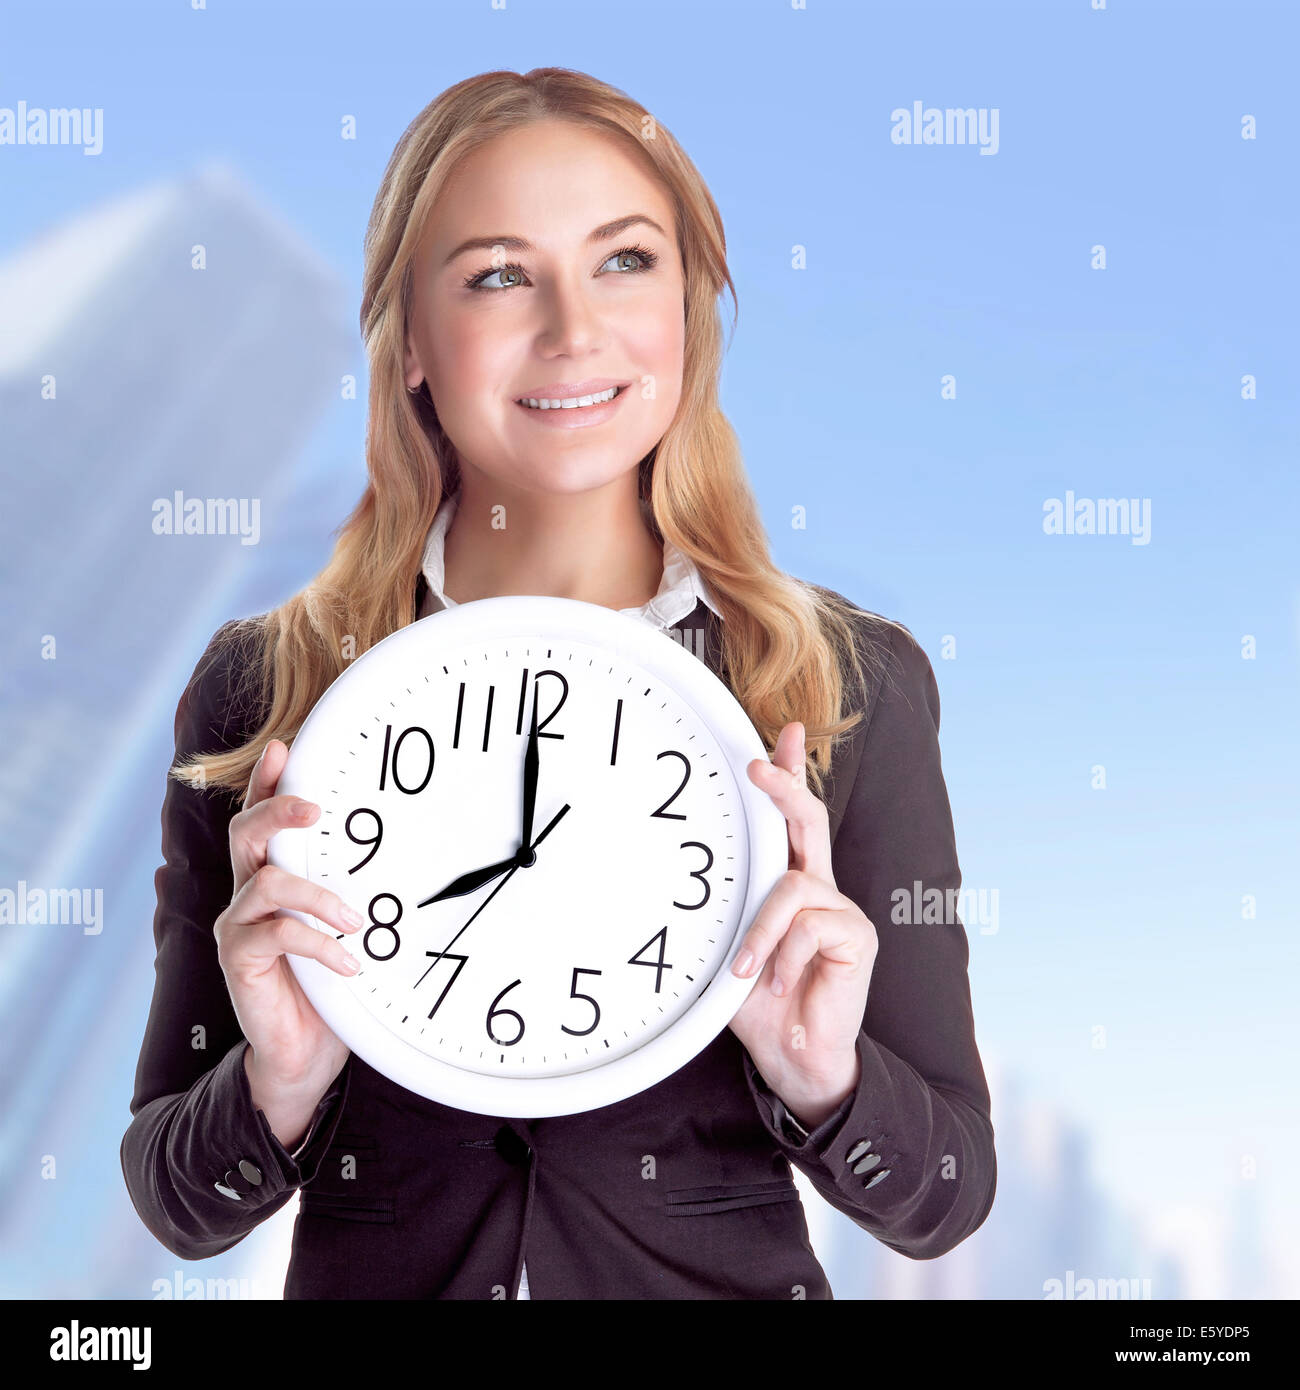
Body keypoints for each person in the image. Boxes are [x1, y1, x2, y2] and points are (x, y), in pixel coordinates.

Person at [120, 67, 996, 1300]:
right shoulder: (266, 690)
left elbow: (947, 1195)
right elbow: (175, 1202)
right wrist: (277, 1079)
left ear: (688, 305)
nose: (573, 330)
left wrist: (826, 1077)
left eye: (625, 261)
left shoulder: (846, 684)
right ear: (411, 343)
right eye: (496, 274)